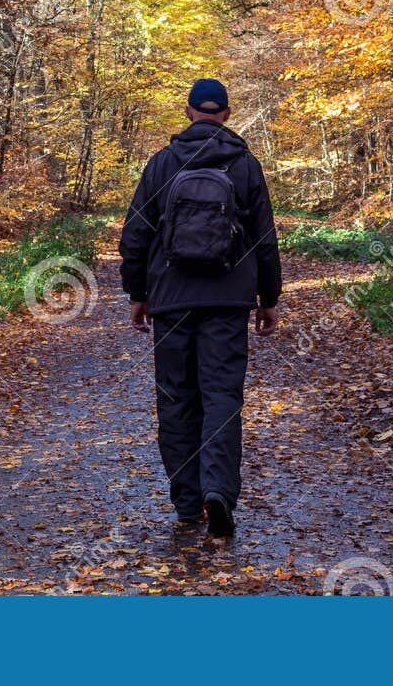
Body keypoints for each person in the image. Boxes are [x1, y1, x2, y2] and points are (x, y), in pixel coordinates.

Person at [119, 78, 281, 538]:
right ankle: (218, 493)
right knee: (222, 397)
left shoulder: (162, 164)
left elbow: (136, 234)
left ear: (188, 111)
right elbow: (265, 240)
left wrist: (139, 293)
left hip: (171, 300)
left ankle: (188, 503)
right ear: (227, 115)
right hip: (228, 301)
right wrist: (268, 300)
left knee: (176, 398)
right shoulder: (246, 165)